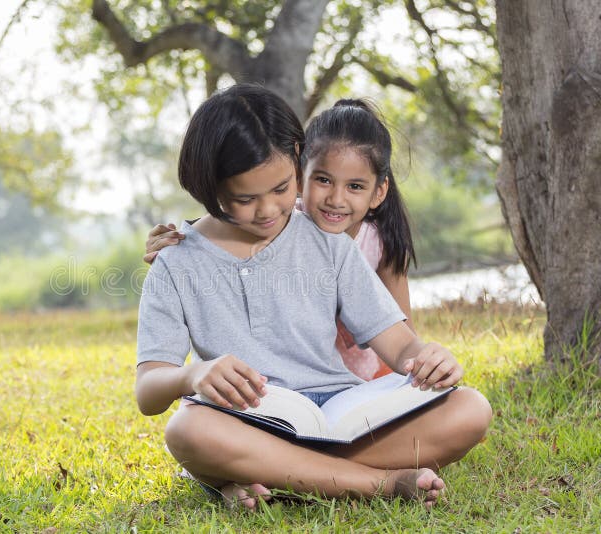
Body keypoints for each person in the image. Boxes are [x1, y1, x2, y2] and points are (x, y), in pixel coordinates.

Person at [136, 84, 491, 511]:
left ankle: (270, 477)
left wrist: (429, 357)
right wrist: (192, 376)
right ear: (208, 186)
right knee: (186, 431)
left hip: (343, 411)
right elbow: (149, 390)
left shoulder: (328, 242)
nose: (268, 210)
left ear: (299, 160)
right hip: (250, 418)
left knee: (470, 408)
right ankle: (377, 483)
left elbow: (399, 344)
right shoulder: (176, 262)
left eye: (283, 188)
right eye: (246, 199)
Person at [143, 99, 416, 381]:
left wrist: (419, 365)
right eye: (323, 180)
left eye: (355, 186)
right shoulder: (279, 223)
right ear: (302, 173)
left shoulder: (379, 242)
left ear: (377, 191)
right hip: (290, 379)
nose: (336, 200)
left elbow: (404, 339)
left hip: (363, 376)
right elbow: (235, 211)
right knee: (188, 426)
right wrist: (185, 250)